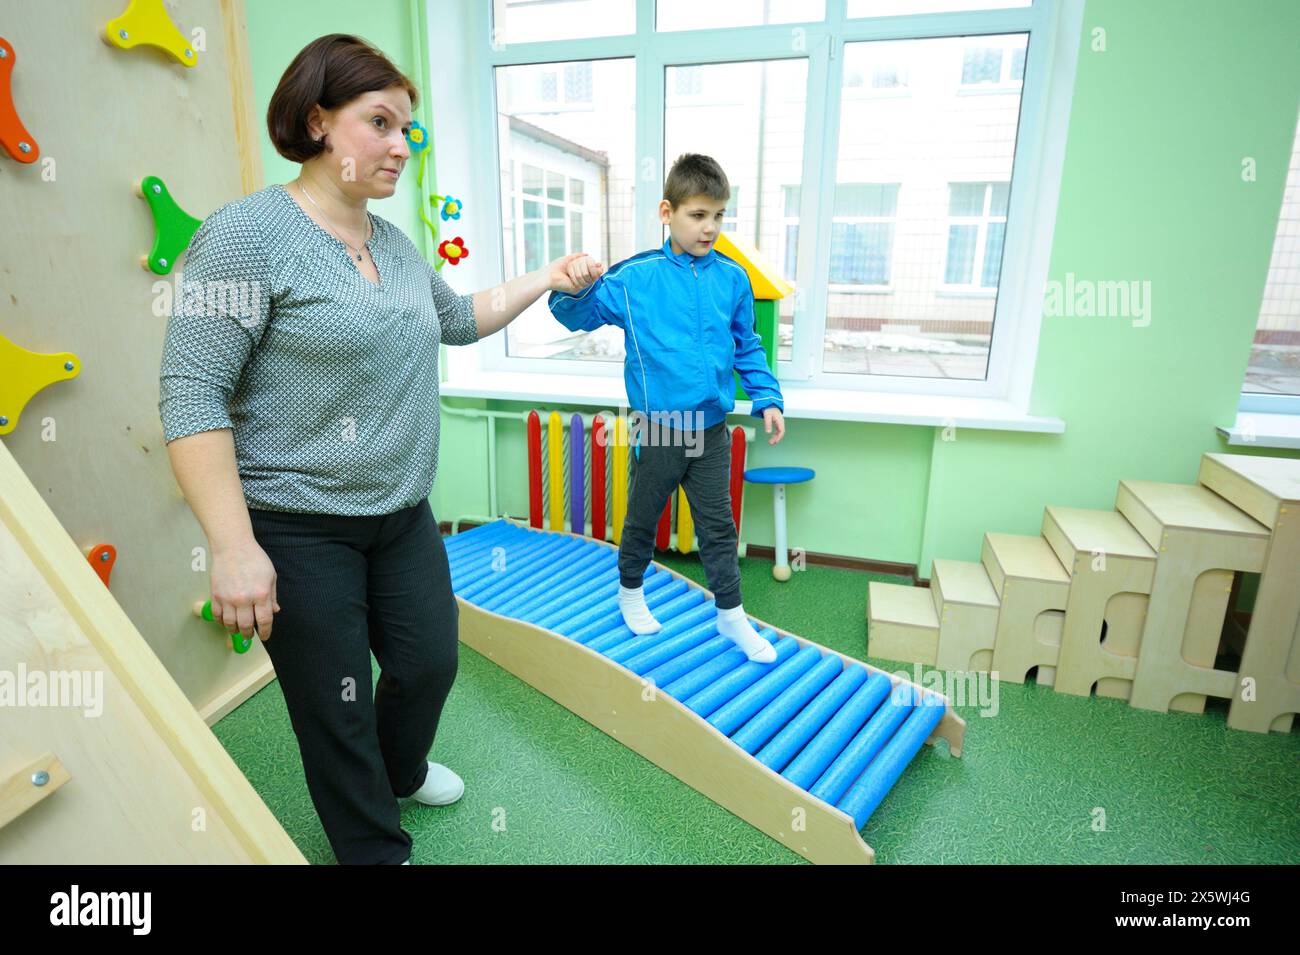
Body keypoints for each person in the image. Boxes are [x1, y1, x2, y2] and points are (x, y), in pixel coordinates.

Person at [159, 34, 591, 865]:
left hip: (399, 513)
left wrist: (546, 278)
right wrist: (232, 543)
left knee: (428, 664)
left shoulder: (391, 243)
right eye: (381, 123)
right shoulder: (244, 236)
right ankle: (373, 849)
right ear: (318, 121)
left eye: (408, 128)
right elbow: (191, 392)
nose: (402, 145)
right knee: (337, 706)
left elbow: (459, 319)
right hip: (294, 521)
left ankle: (403, 770)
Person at [548, 153, 786, 664]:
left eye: (719, 216)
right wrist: (572, 284)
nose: (711, 228)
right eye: (698, 215)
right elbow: (575, 314)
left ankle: (731, 616)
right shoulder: (638, 277)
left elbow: (747, 345)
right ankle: (630, 592)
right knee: (643, 518)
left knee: (718, 526)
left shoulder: (733, 278)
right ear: (667, 212)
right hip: (659, 428)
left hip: (713, 429)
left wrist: (767, 398)